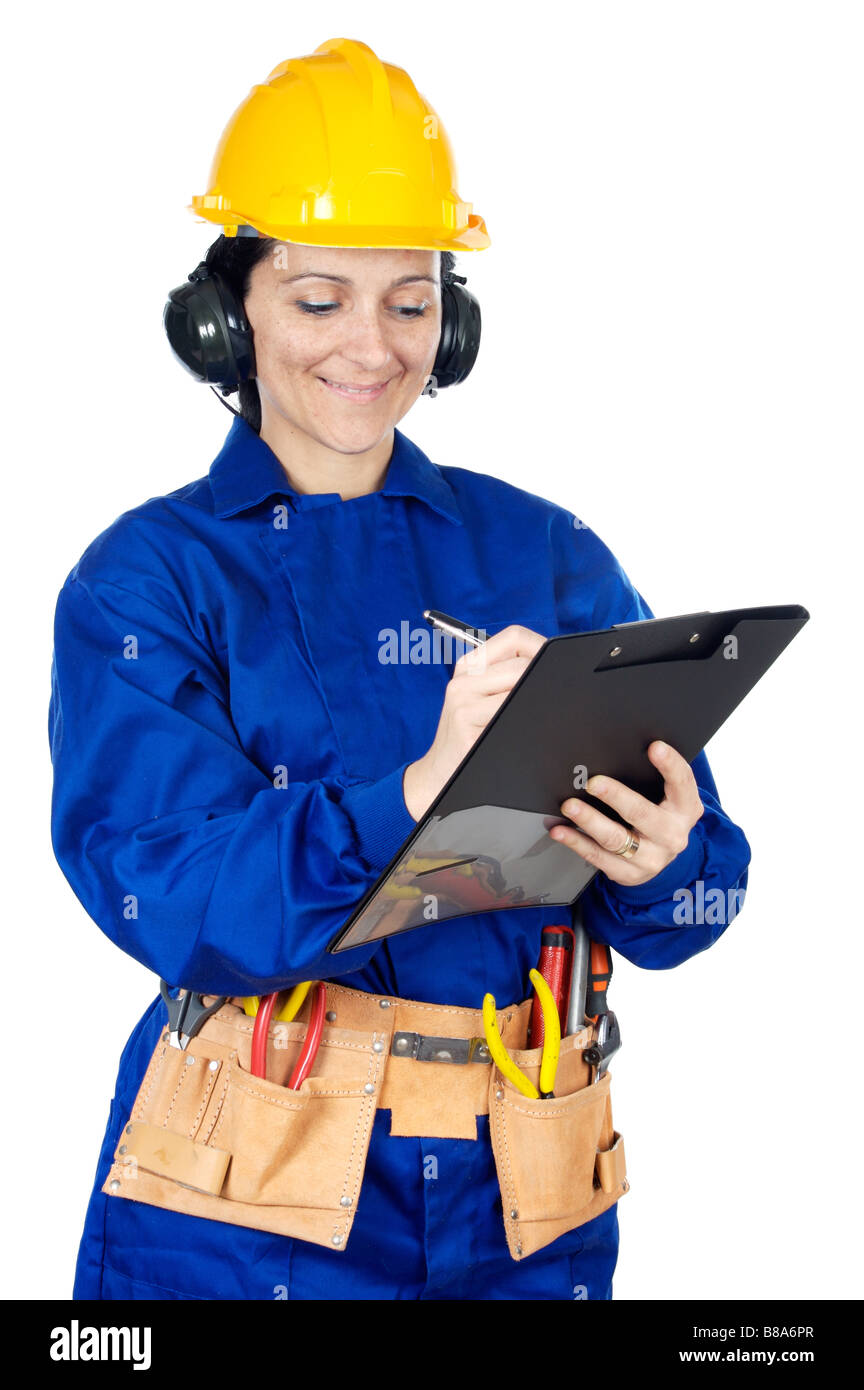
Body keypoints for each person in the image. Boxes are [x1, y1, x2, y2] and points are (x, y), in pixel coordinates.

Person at [49, 37, 750, 1301]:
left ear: (455, 319)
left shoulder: (547, 553)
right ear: (222, 316)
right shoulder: (146, 580)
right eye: (319, 299)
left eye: (412, 301)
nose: (370, 346)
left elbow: (691, 905)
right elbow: (168, 894)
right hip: (245, 1204)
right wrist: (417, 790)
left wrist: (673, 861)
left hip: (529, 1198)